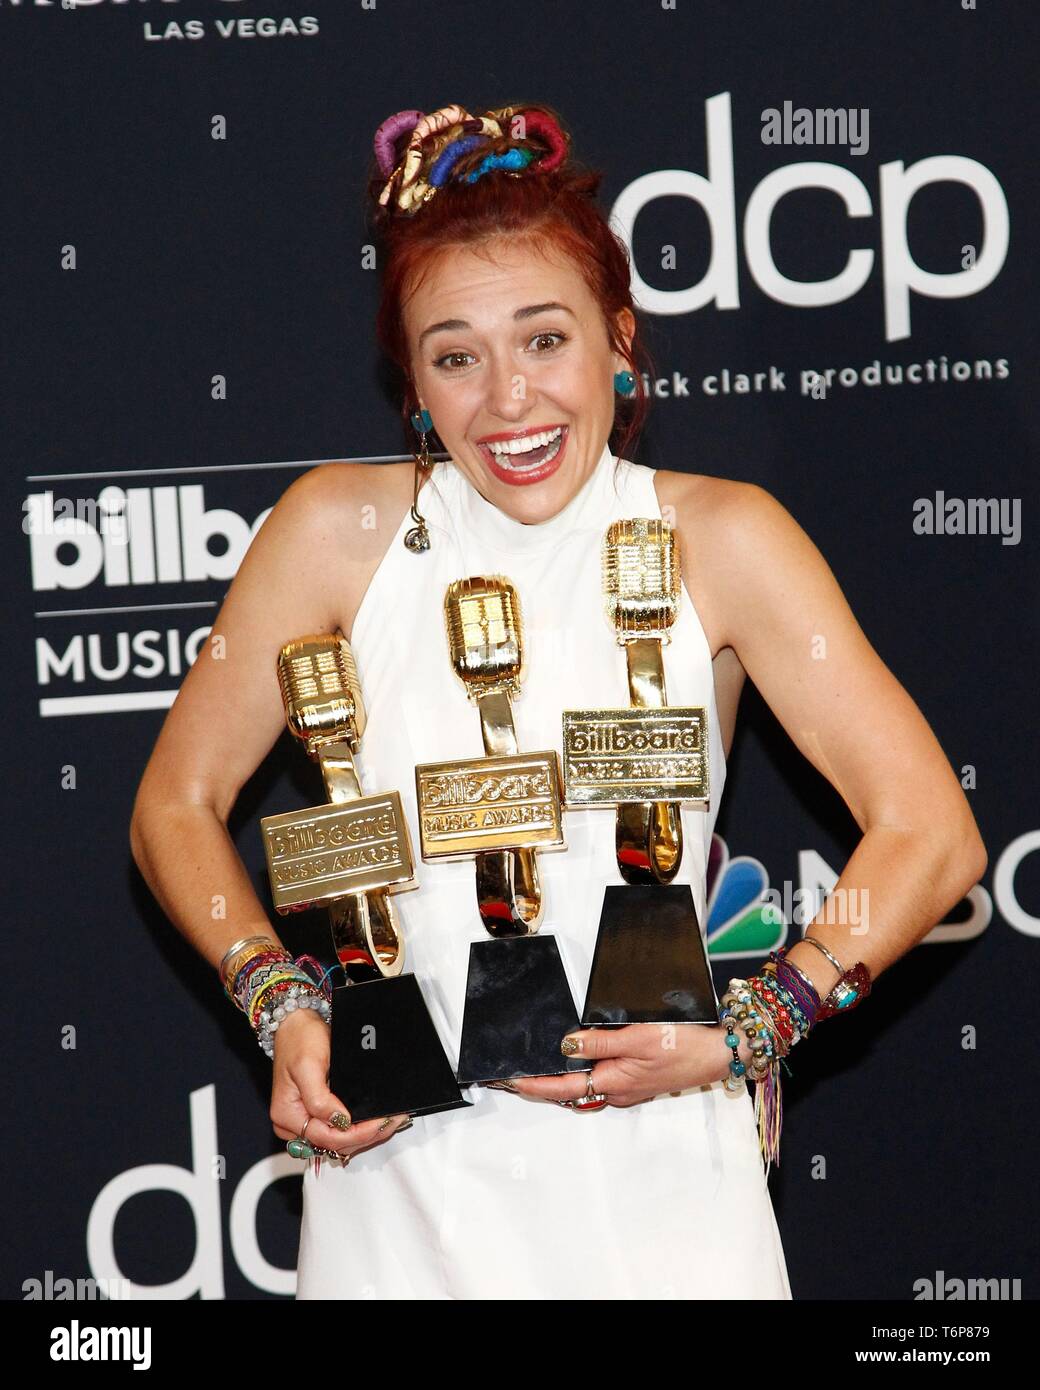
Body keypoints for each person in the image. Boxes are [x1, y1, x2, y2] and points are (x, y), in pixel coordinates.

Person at [130, 101, 987, 1300]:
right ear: (412, 382)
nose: (507, 402)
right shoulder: (330, 532)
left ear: (617, 339)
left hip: (663, 1192)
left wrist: (753, 1027)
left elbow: (929, 832)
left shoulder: (723, 535)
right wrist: (279, 1002)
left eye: (543, 340)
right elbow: (175, 802)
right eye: (455, 355)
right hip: (398, 1190)